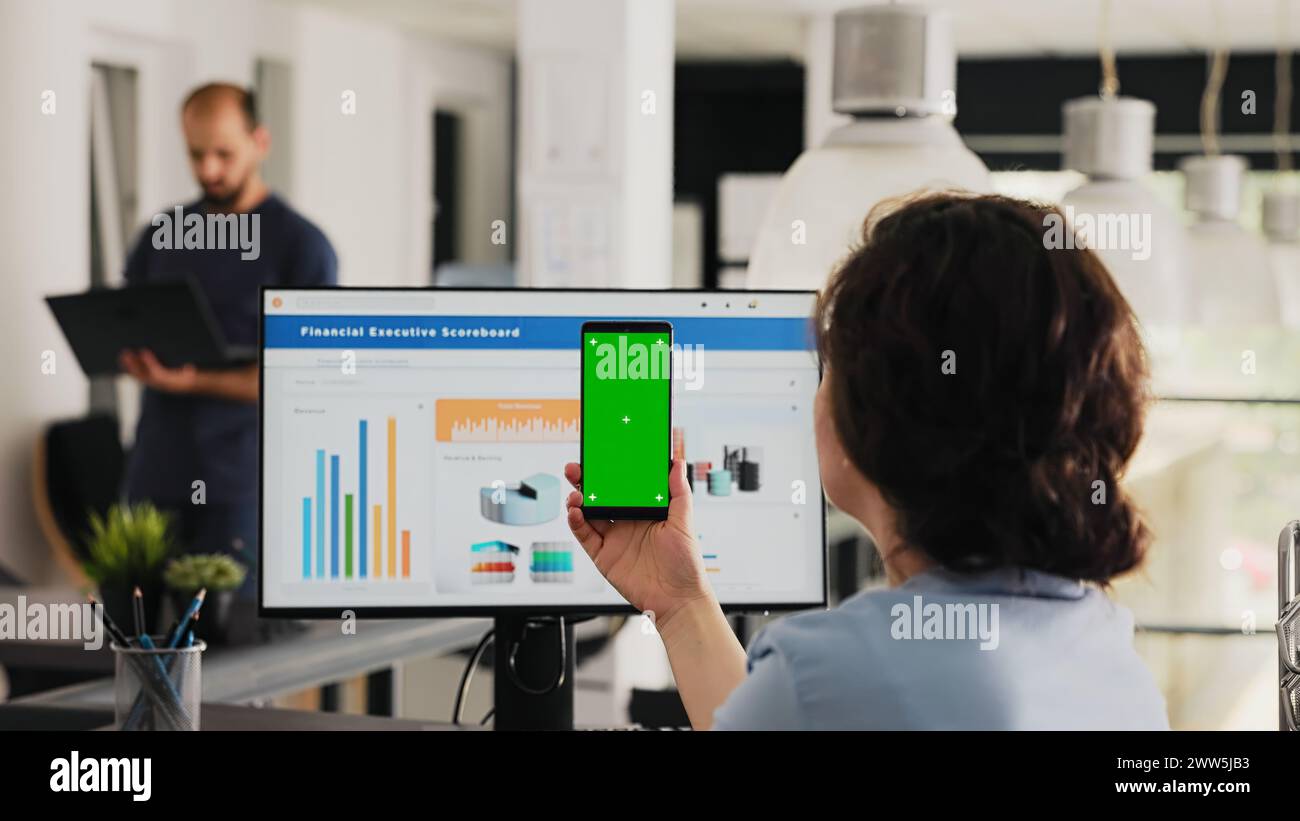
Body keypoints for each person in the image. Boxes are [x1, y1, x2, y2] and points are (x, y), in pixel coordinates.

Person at [564, 192, 1170, 730]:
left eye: (830, 367)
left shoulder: (831, 674)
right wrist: (679, 602)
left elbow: (810, 703)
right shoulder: (1103, 646)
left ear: (881, 413)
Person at [119, 83, 337, 598]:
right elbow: (127, 319)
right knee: (136, 643)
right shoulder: (163, 233)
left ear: (260, 142)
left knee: (232, 656)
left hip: (242, 487)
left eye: (224, 153)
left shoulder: (301, 246)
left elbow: (307, 378)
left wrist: (193, 380)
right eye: (197, 154)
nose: (209, 170)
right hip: (154, 477)